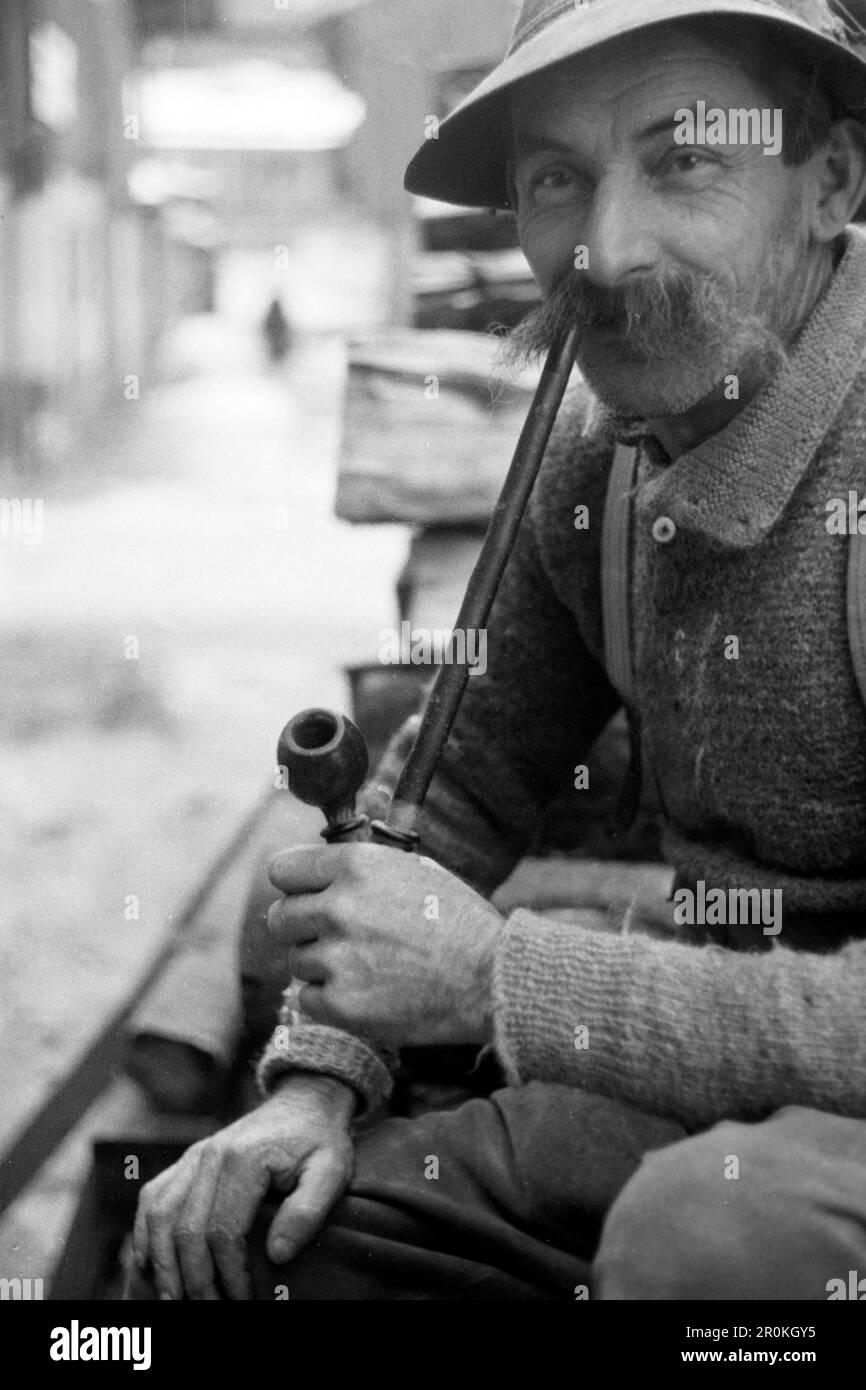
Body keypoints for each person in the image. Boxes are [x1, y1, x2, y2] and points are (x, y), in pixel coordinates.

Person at [128, 0, 866, 1301]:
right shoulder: (599, 462)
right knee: (264, 1243)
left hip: (808, 1114)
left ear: (832, 181)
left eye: (683, 155)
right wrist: (313, 1080)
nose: (602, 247)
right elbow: (452, 791)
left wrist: (501, 974)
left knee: (711, 1242)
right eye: (554, 179)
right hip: (711, 1060)